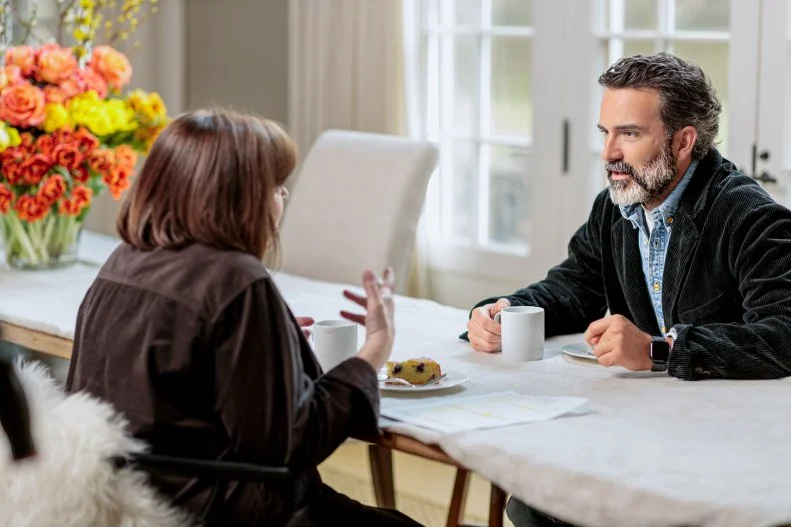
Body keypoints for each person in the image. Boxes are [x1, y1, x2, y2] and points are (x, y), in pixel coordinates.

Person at [463, 52, 791, 526]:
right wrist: (503, 311)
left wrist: (659, 350)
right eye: (605, 133)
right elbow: (573, 288)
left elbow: (783, 334)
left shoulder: (749, 217)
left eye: (629, 134)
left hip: (731, 449)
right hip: (652, 424)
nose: (608, 152)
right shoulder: (616, 207)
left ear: (683, 142)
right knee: (538, 499)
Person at [66, 109, 421, 527]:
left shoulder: (122, 261)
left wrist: (274, 343)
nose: (283, 196)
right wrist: (373, 350)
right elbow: (293, 443)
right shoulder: (235, 277)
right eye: (274, 186)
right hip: (225, 511)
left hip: (133, 504)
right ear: (237, 197)